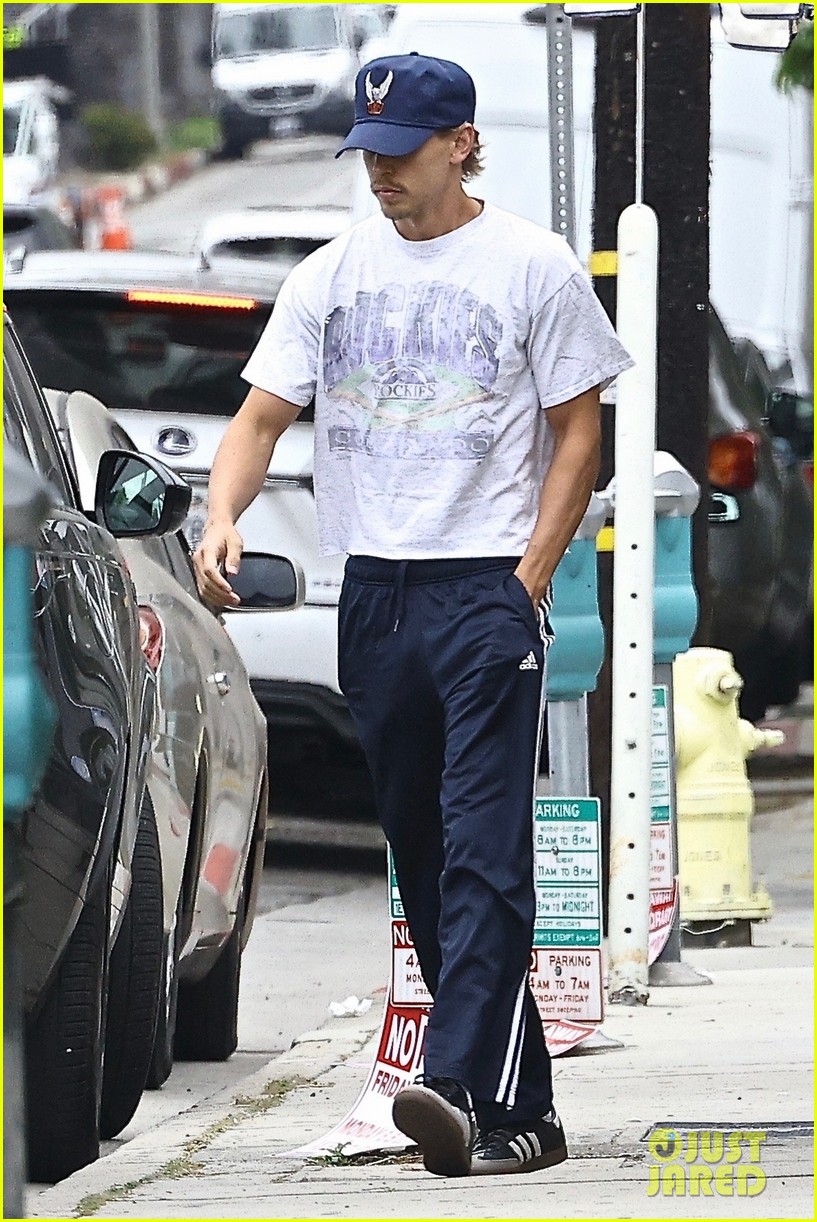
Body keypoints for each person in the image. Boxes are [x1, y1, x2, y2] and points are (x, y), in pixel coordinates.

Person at [193, 52, 633, 1178]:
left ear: (460, 144)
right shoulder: (331, 273)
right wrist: (221, 514)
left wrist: (530, 575)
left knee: (486, 851)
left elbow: (579, 435)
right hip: (375, 594)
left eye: (399, 153)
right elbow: (257, 419)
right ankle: (521, 1112)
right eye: (367, 154)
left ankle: (446, 1079)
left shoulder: (532, 265)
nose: (379, 173)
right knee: (426, 856)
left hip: (485, 583)